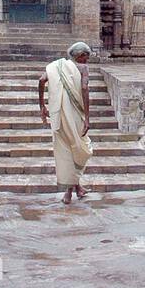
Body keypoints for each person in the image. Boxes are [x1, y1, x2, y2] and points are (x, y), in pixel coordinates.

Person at [39, 42, 93, 204]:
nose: (87, 61)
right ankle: (69, 192)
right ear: (81, 55)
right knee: (80, 149)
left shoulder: (57, 66)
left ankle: (77, 188)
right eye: (87, 57)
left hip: (59, 115)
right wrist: (88, 117)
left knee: (68, 150)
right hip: (75, 116)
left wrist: (42, 106)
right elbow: (84, 90)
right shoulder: (83, 69)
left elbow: (41, 81)